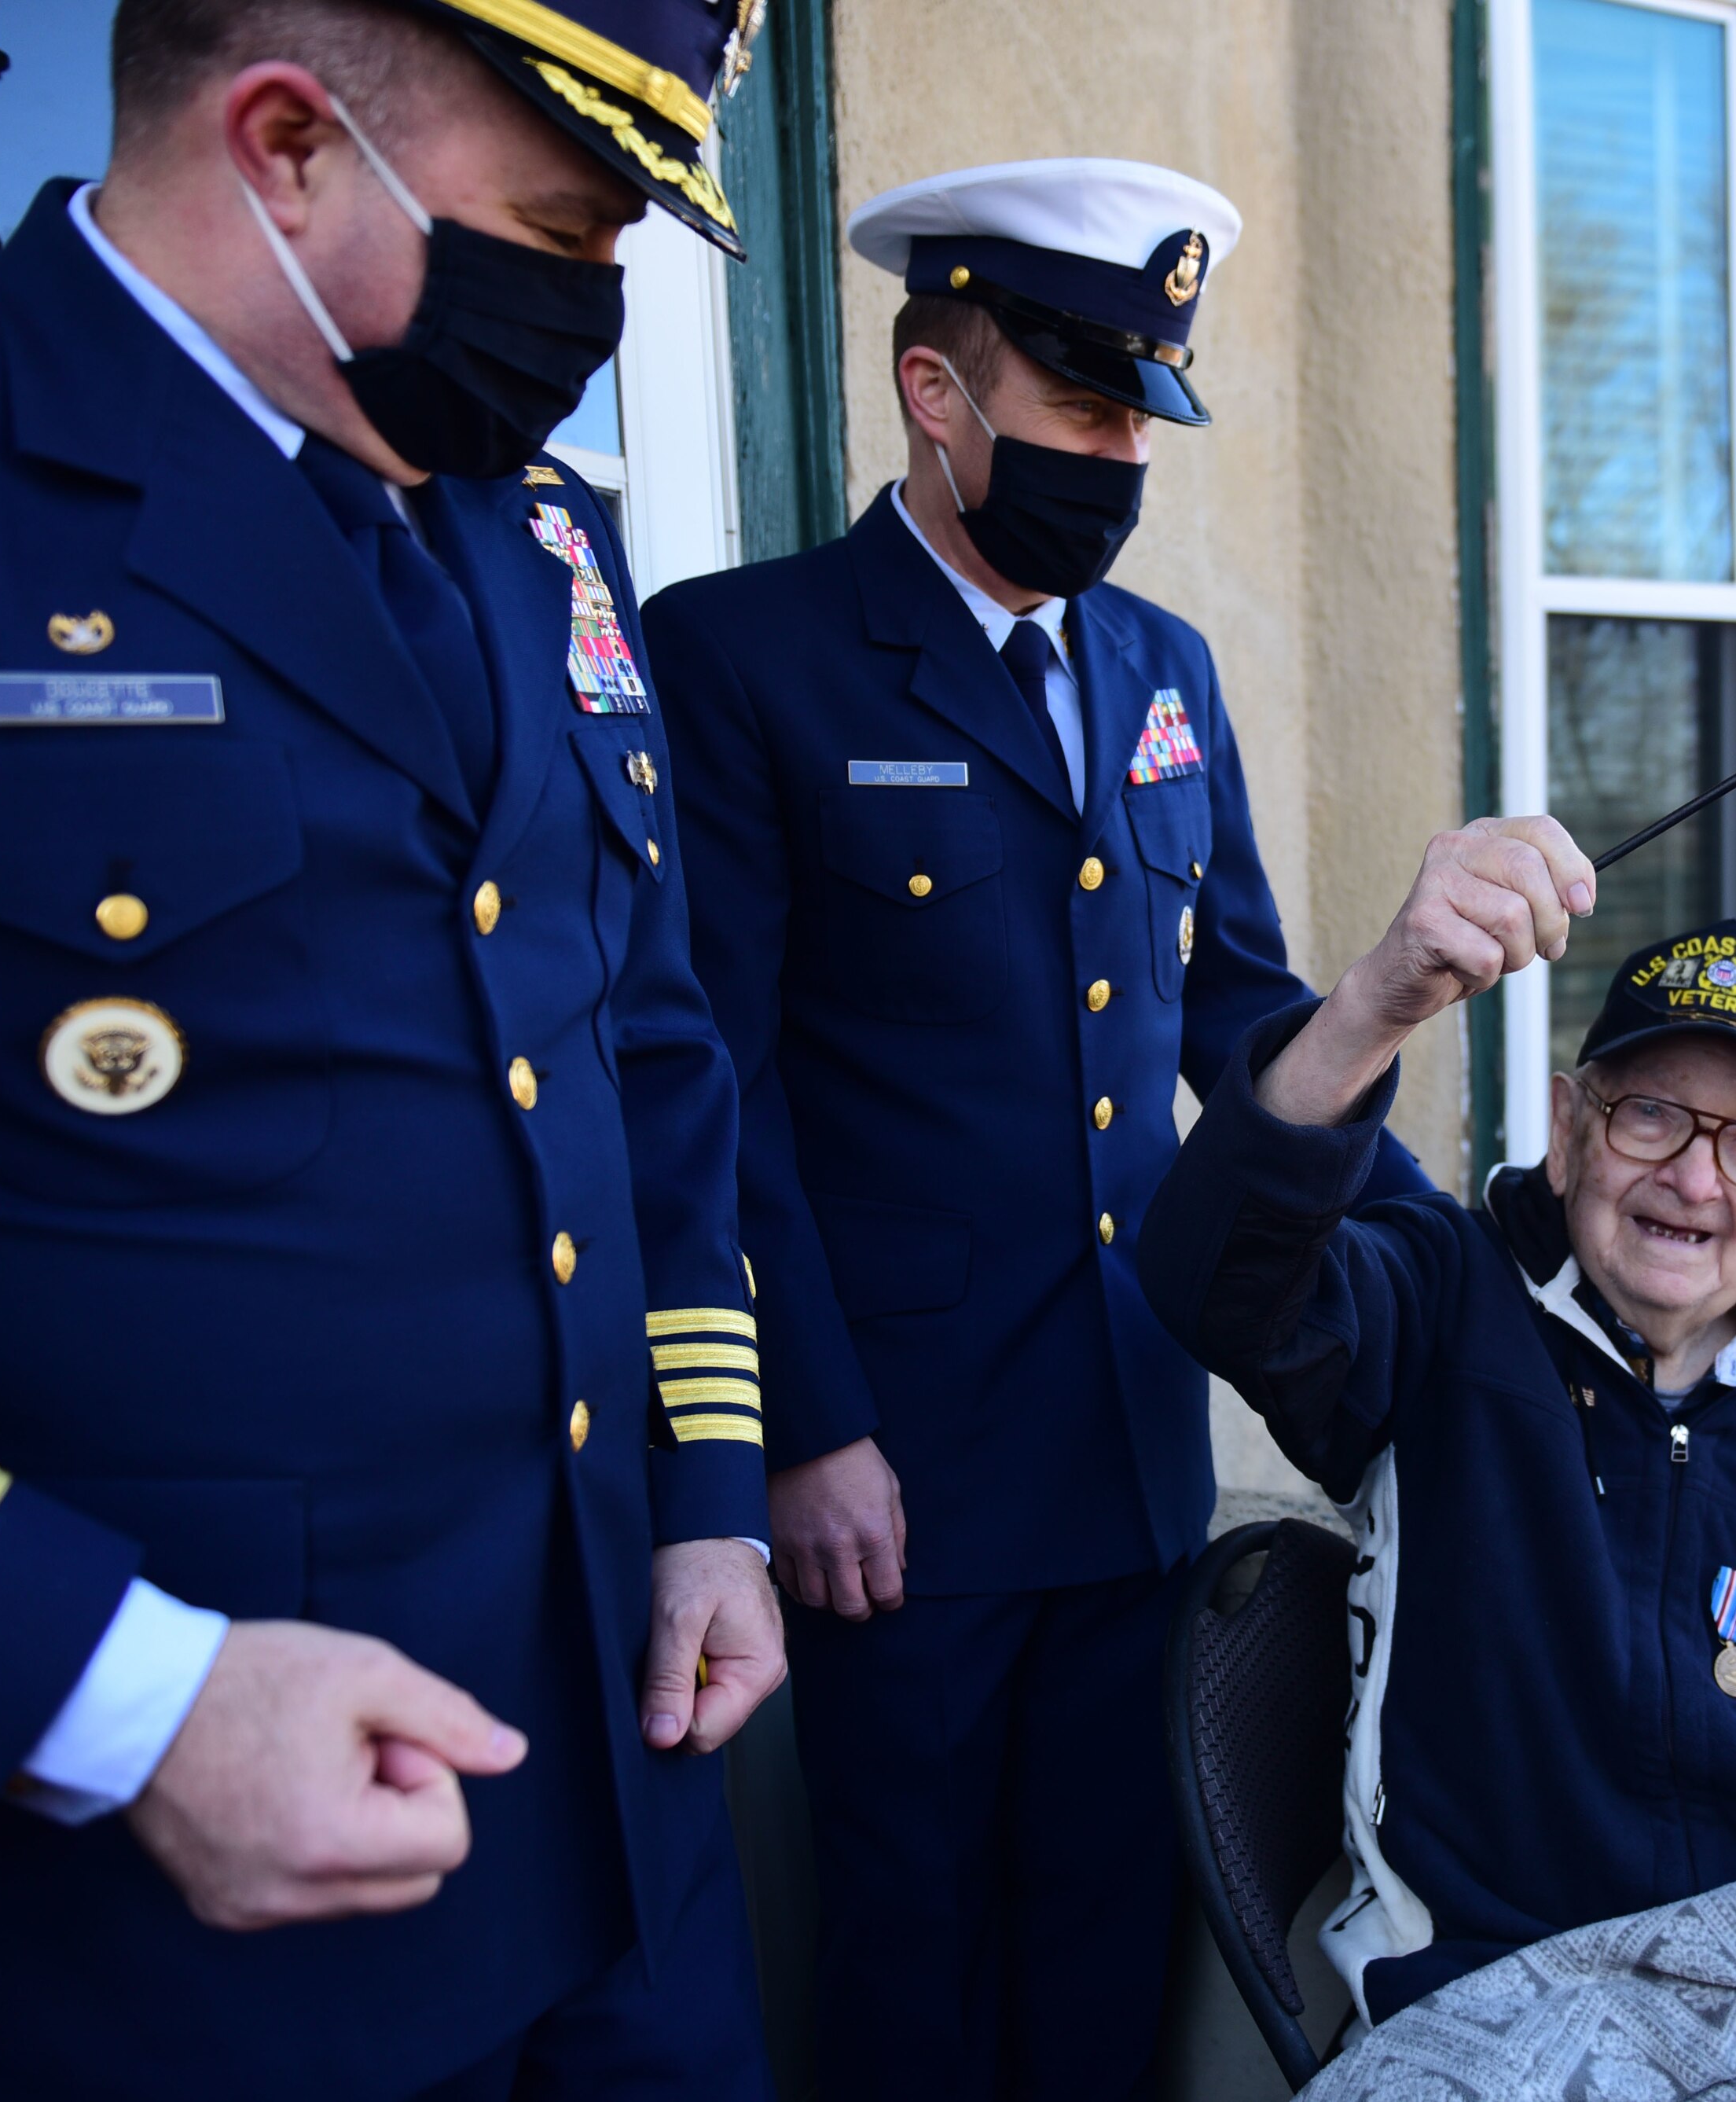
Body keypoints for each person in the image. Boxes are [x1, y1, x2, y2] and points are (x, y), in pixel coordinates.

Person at [0, 2, 785, 2094]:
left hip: (618, 1865)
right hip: (134, 1953)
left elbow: (636, 1055)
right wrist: (109, 1698)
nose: (590, 307)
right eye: (558, 231)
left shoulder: (517, 530)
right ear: (287, 147)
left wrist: (711, 1498)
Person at [641, 157, 1426, 2096]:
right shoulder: (748, 657)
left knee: (1102, 1945)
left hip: (1134, 1437)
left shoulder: (1160, 670)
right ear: (938, 392)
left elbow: (1243, 1010)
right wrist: (802, 1431)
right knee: (911, 1952)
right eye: (1081, 407)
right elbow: (708, 1084)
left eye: (1141, 414)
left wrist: (1436, 1238)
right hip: (896, 1469)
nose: (1119, 457)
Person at [1138, 818, 1736, 2102]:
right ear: (1569, 1128)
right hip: (1500, 1998)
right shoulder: (1442, 1298)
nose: (1693, 1178)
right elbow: (1212, 1282)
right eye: (1650, 1112)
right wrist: (1380, 998)